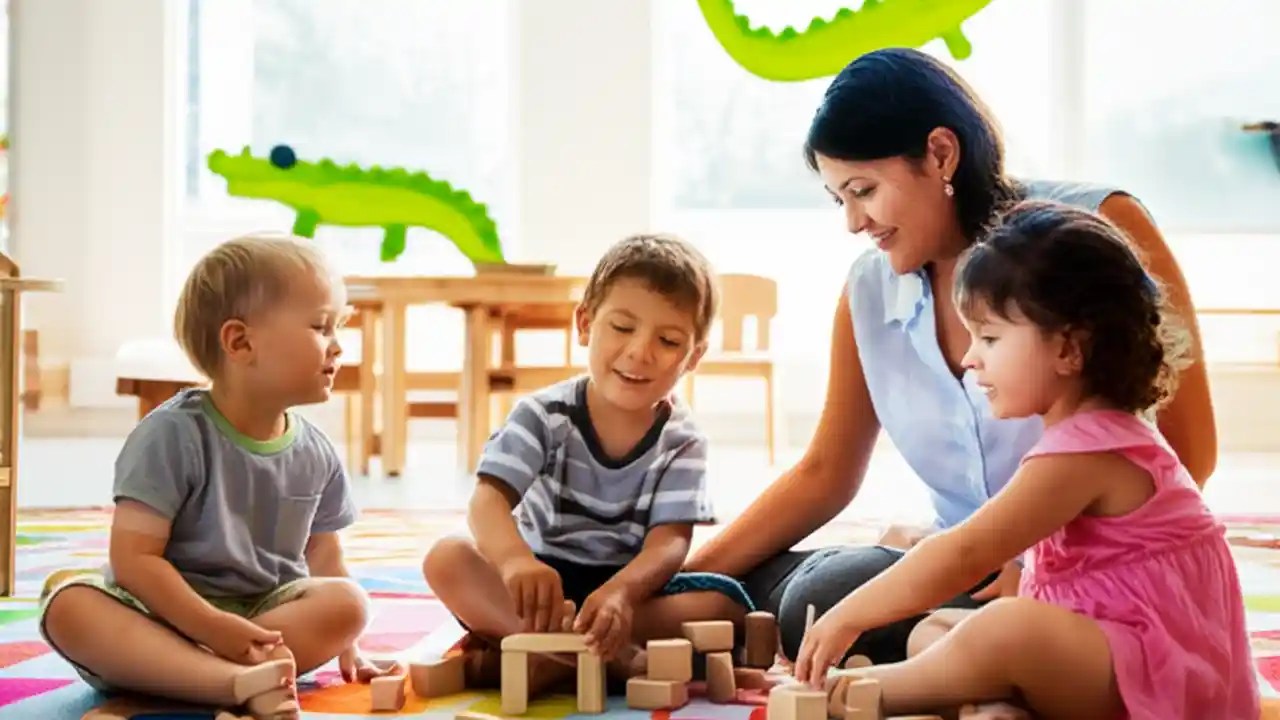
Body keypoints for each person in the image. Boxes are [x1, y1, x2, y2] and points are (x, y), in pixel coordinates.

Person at [683, 47, 1217, 665]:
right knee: (771, 587)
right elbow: (826, 472)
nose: (855, 222)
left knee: (816, 597)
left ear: (941, 153)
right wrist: (688, 578)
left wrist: (1043, 559)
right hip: (959, 562)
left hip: (1086, 571)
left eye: (865, 190)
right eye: (839, 200)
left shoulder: (1094, 232)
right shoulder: (868, 289)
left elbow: (1190, 454)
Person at [792, 200, 1257, 719]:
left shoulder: (1090, 448)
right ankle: (993, 708)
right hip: (1105, 649)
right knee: (940, 627)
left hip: (1158, 679)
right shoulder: (1081, 435)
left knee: (1003, 629)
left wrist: (848, 616)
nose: (971, 358)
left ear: (1068, 350)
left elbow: (966, 551)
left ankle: (856, 694)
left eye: (989, 337)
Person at [39, 234, 395, 720]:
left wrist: (349, 645)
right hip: (160, 617)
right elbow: (133, 560)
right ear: (240, 341)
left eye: (338, 327)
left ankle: (203, 679)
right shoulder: (170, 435)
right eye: (320, 326)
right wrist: (208, 626)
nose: (337, 345)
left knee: (348, 603)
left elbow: (324, 556)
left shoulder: (316, 452)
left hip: (263, 620)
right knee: (68, 606)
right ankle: (230, 682)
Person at [423, 233, 749, 693]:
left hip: (625, 594)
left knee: (725, 606)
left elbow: (669, 545)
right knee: (447, 558)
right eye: (622, 327)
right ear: (584, 324)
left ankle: (544, 660)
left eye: (669, 340)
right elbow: (487, 502)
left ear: (693, 356)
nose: (640, 351)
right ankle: (594, 658)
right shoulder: (543, 415)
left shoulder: (683, 439)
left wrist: (620, 593)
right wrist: (516, 563)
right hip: (535, 592)